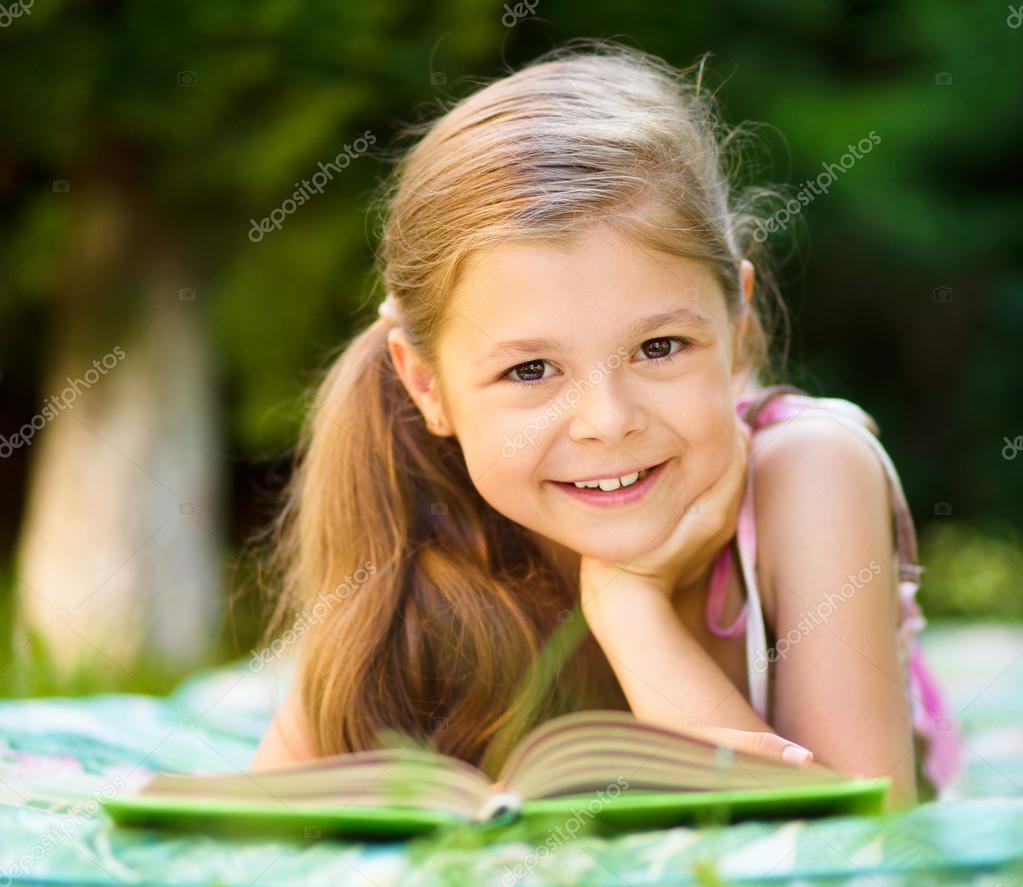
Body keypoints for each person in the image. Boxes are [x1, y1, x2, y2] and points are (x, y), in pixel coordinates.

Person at [249, 41, 960, 810]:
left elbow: (857, 836)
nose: (608, 422)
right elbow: (254, 816)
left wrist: (630, 609)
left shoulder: (809, 473)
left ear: (736, 327)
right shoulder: (415, 520)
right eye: (529, 371)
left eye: (660, 348)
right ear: (427, 385)